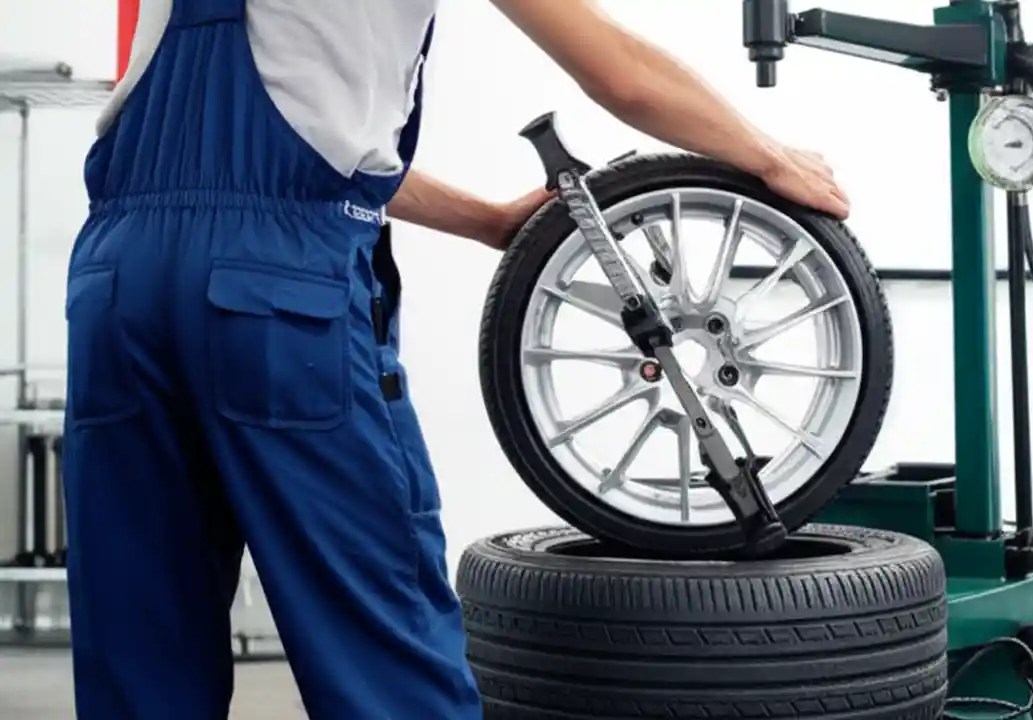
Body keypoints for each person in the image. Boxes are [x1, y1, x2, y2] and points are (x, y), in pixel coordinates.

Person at [61, 0, 850, 718]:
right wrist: (767, 152)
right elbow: (620, 72)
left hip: (114, 285)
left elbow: (296, 151)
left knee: (141, 644)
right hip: (272, 298)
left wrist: (484, 221)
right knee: (382, 641)